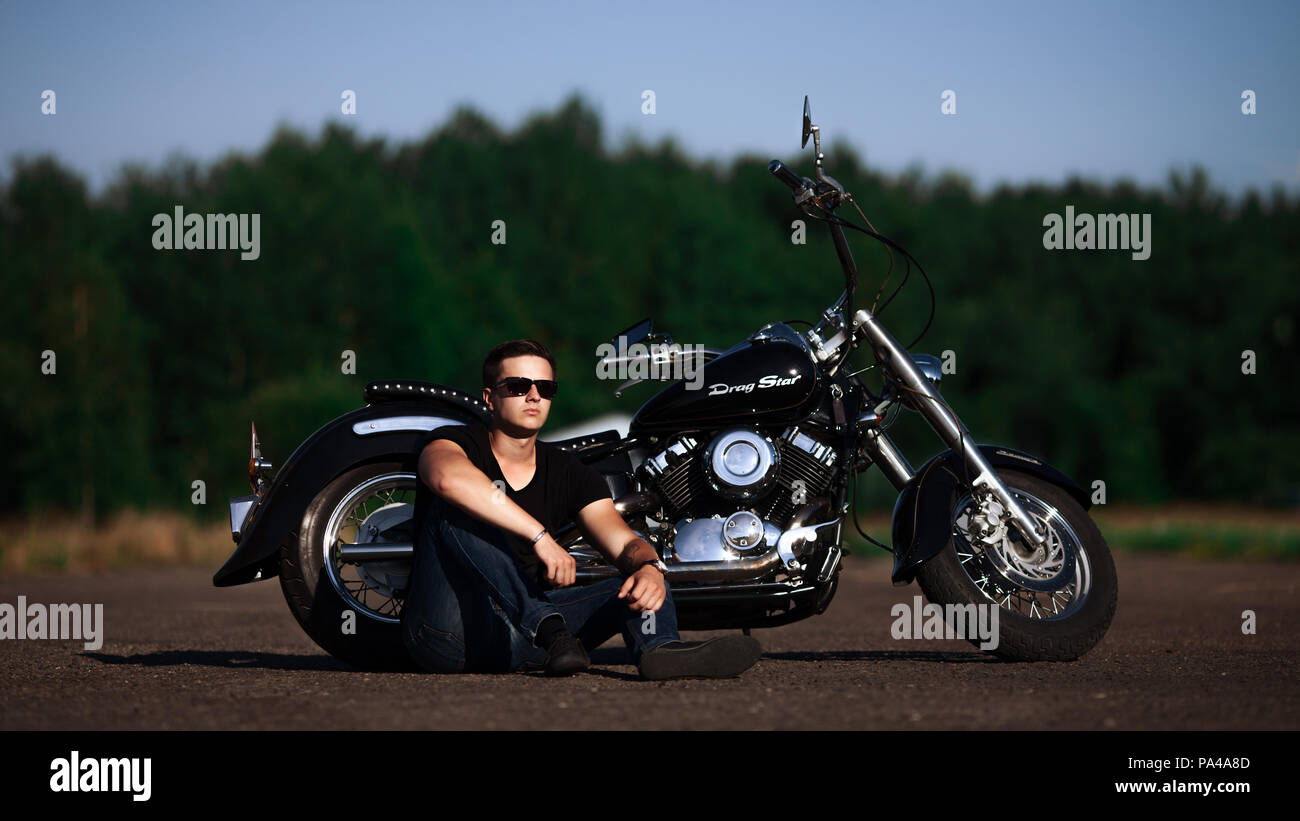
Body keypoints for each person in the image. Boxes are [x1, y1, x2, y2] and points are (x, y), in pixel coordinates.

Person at [401, 338, 762, 679]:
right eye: (517, 386)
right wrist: (540, 536)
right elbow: (448, 480)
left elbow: (622, 543)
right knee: (455, 509)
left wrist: (650, 567)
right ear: (490, 397)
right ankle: (548, 625)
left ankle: (661, 649)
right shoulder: (454, 442)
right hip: (446, 634)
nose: (533, 395)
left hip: (526, 644)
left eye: (546, 388)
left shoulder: (569, 472)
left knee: (635, 577)